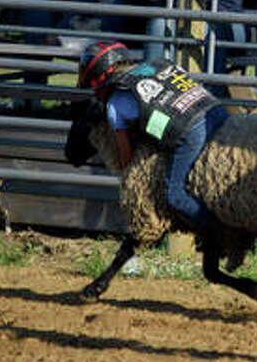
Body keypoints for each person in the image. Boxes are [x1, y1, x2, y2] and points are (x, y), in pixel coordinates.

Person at [77, 40, 230, 230]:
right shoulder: (155, 66)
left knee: (174, 195)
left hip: (193, 129)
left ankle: (218, 232)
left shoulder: (115, 103)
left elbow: (125, 154)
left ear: (98, 76)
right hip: (214, 110)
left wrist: (129, 175)